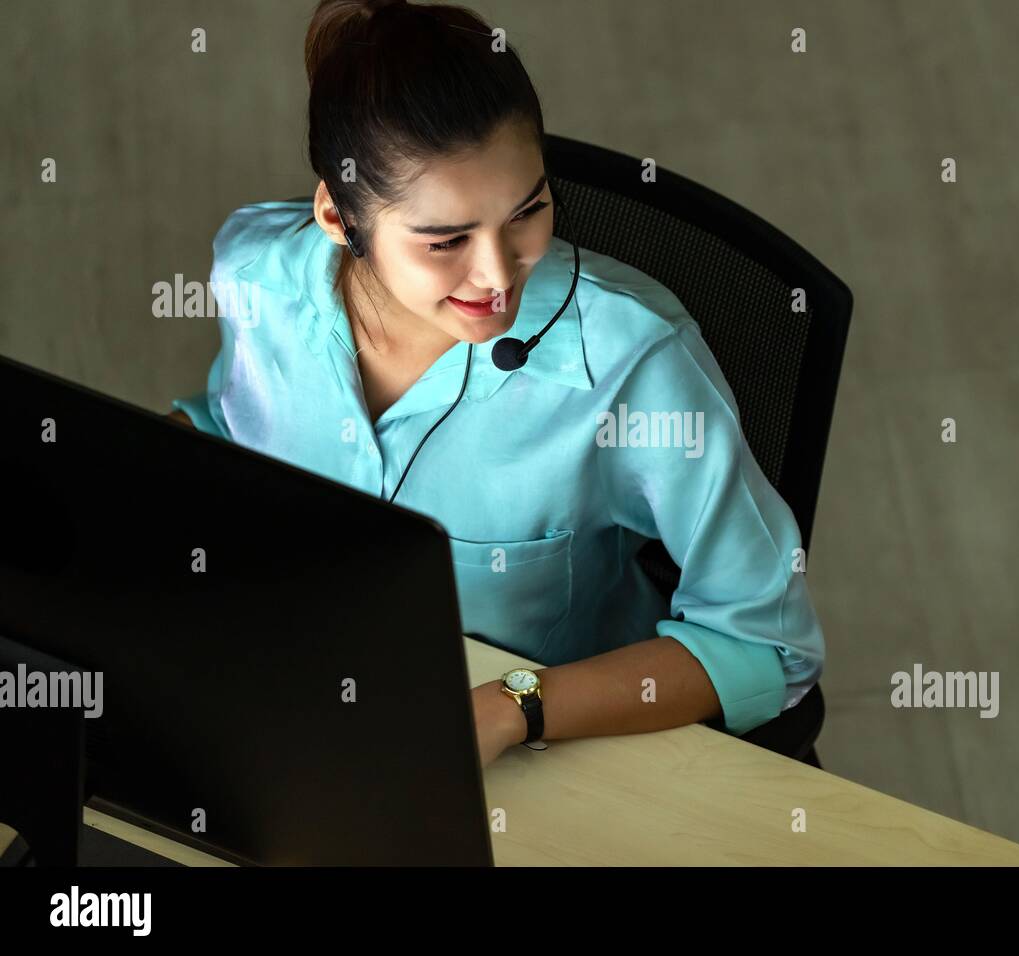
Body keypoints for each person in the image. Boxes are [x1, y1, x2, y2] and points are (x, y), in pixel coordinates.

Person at [170, 0, 824, 768]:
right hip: (300, 686)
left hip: (553, 746)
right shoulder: (256, 275)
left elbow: (766, 647)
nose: (496, 276)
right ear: (338, 219)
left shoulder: (635, 362)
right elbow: (231, 428)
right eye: (445, 240)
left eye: (529, 210)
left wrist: (511, 707)